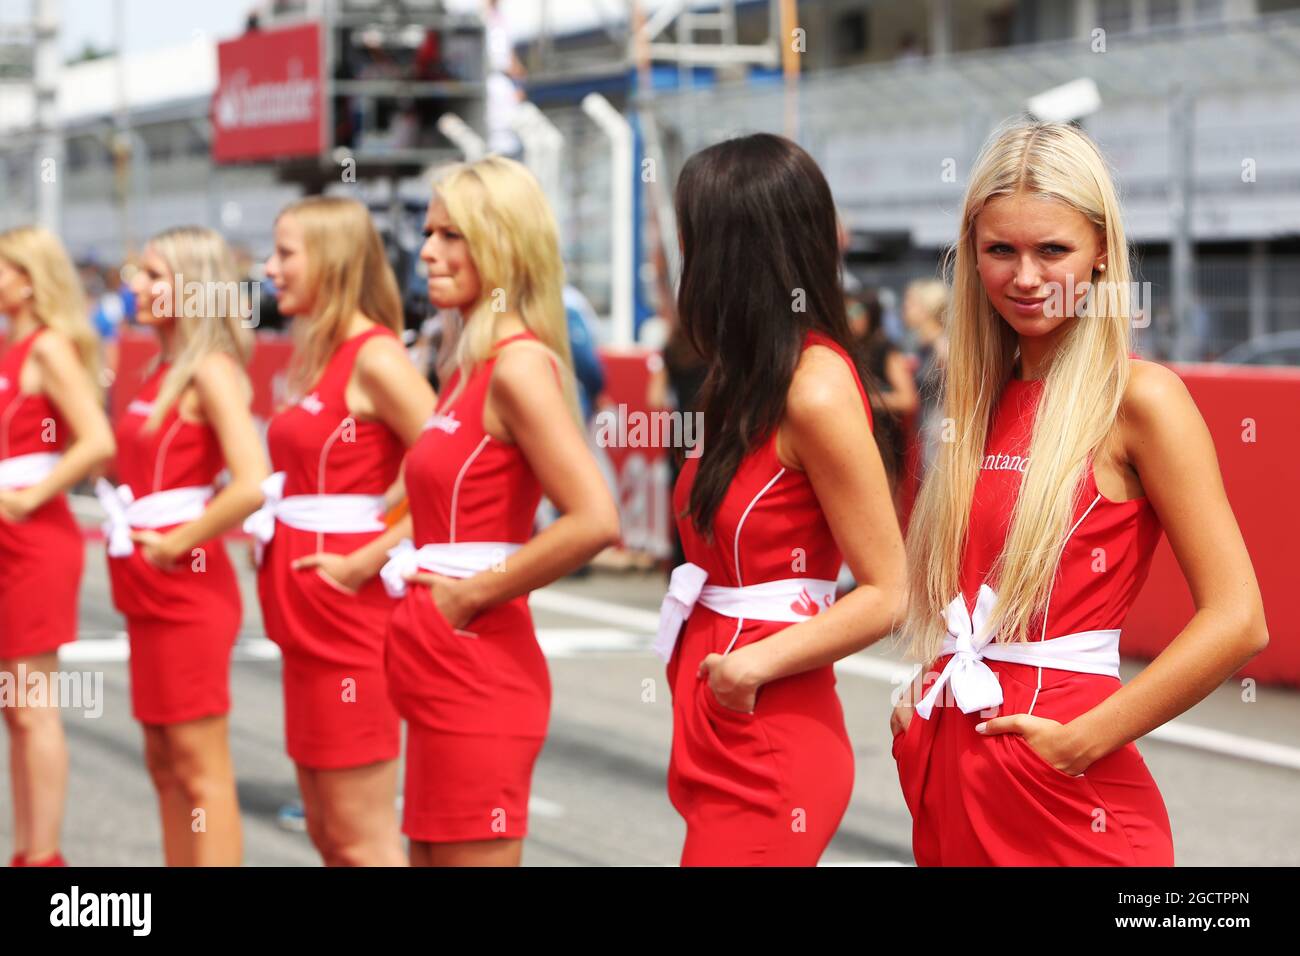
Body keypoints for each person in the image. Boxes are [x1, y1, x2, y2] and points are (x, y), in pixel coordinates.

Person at [891, 121, 1269, 866]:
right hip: (950, 769)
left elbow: (1239, 619)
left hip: (1066, 790)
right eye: (1001, 250)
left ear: (1101, 252)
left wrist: (1087, 737)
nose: (1025, 277)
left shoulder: (1142, 398)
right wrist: (922, 690)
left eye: (1052, 250)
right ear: (971, 254)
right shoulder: (976, 397)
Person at [330, 156, 619, 866]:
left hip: (481, 667)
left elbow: (595, 519)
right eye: (429, 233)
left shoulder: (520, 366)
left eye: (451, 235)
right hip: (438, 663)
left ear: (503, 244)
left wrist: (465, 597)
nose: (428, 251)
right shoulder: (462, 364)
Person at [659, 134, 908, 866]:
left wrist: (749, 667)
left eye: (693, 238)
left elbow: (888, 590)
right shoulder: (738, 375)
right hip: (717, 725)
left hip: (769, 735)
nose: (685, 259)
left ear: (734, 252)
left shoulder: (816, 386)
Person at [248, 196, 436, 866]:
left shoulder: (376, 357)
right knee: (328, 834)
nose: (270, 269)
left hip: (350, 618)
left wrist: (365, 559)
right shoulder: (318, 352)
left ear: (330, 260)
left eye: (285, 254)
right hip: (303, 617)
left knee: (360, 841)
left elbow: (453, 475)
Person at [101, 226, 268, 865]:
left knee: (201, 767)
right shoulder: (158, 367)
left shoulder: (212, 370)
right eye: (139, 273)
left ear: (193, 288)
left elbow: (252, 482)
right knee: (165, 762)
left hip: (188, 591)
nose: (136, 286)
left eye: (154, 276)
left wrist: (179, 544)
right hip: (145, 589)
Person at [0, 226, 116, 866]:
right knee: (15, 709)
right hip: (8, 536)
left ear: (27, 278)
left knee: (32, 706)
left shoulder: (48, 348)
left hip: (33, 540)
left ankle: (42, 859)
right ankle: (26, 848)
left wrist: (29, 495)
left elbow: (97, 441)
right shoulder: (10, 348)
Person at [901, 278, 949, 476]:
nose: (905, 307)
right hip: (925, 430)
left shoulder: (943, 346)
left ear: (926, 308)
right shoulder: (921, 344)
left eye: (911, 303)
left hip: (940, 433)